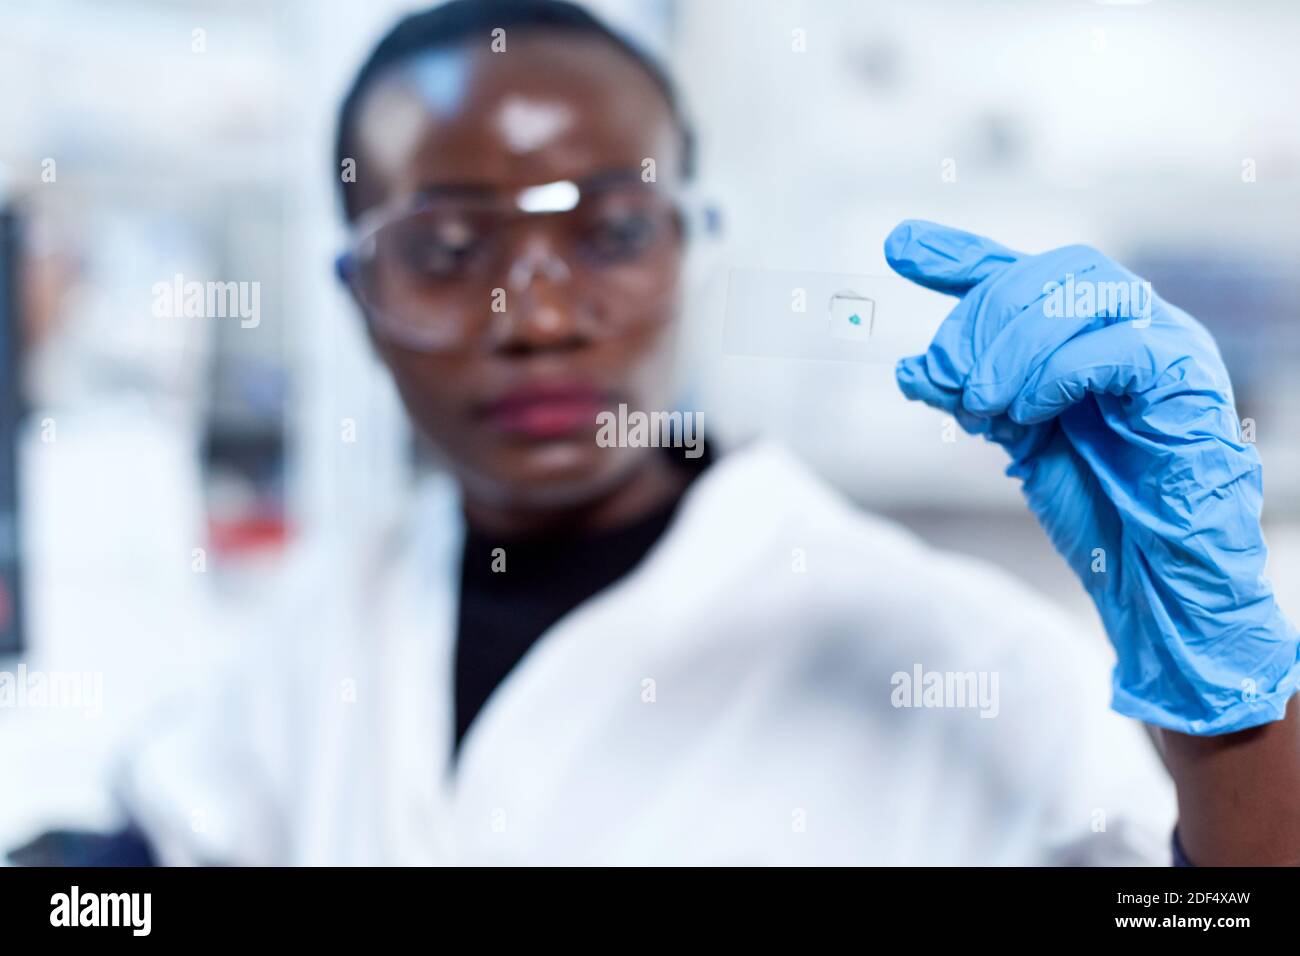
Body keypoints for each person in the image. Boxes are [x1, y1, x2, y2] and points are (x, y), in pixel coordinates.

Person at [52, 0, 1300, 865]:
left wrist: (1228, 724)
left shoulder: (952, 649)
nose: (535, 314)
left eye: (608, 232)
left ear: (694, 250)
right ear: (354, 297)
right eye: (443, 248)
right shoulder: (340, 609)